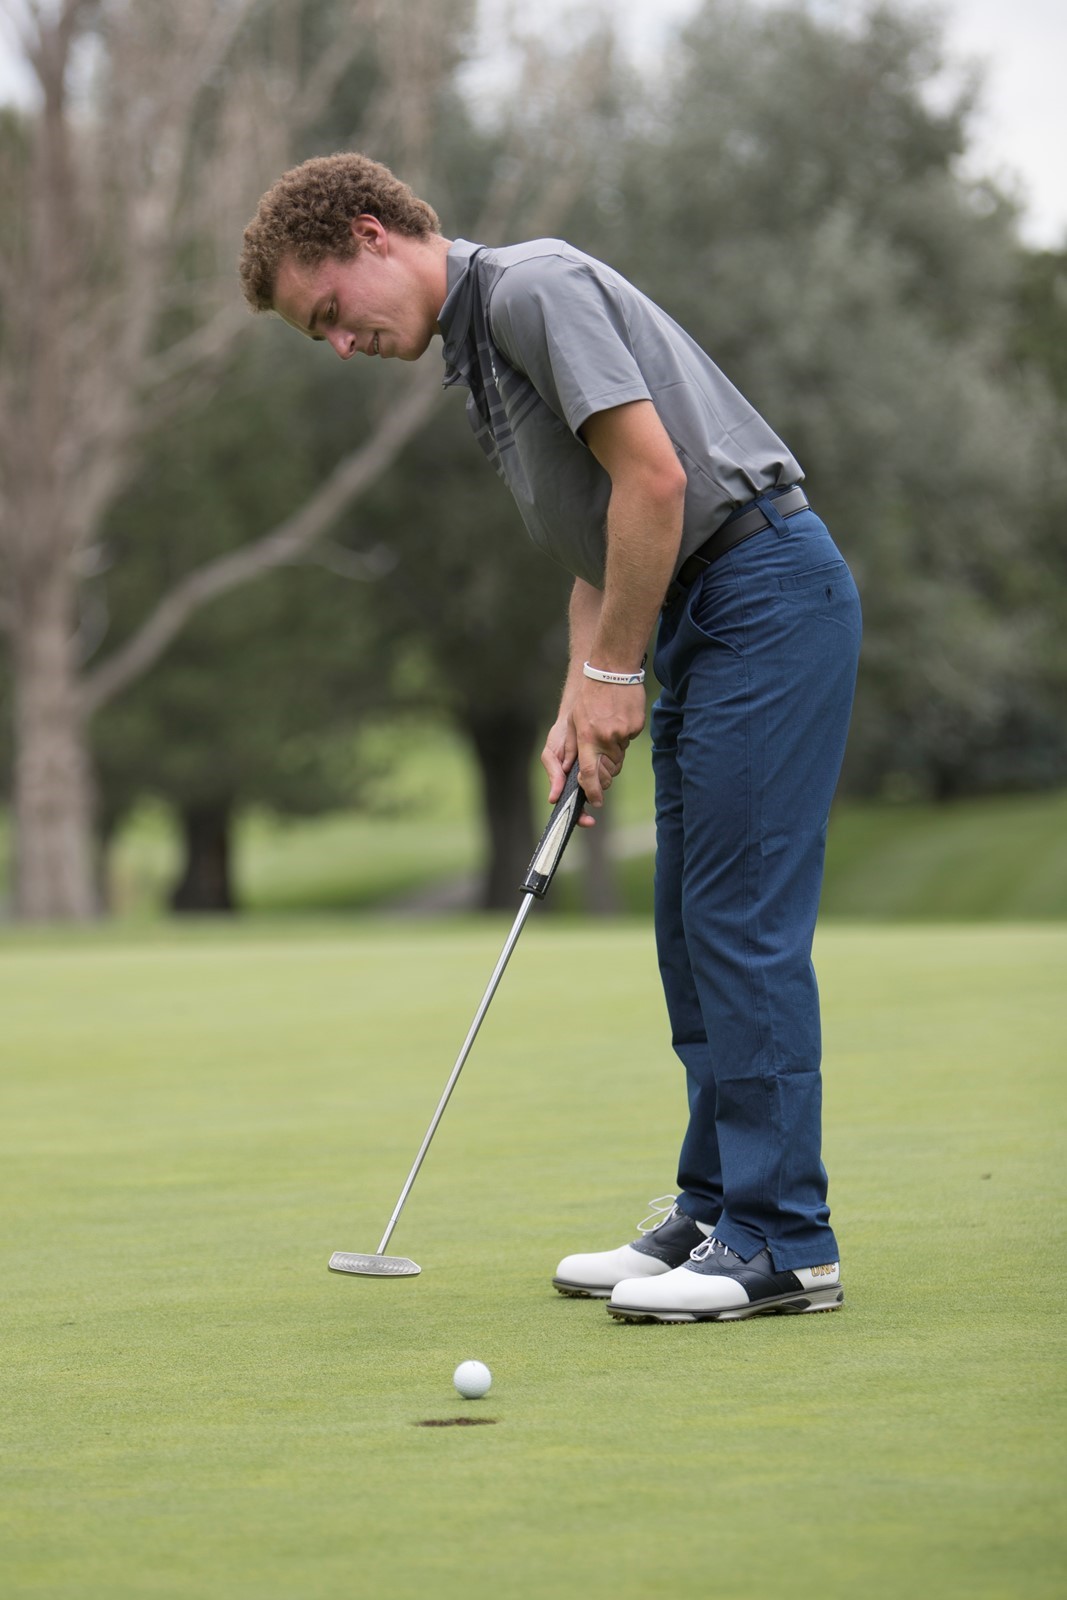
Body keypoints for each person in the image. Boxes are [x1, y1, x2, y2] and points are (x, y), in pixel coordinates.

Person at [239, 153, 863, 1324]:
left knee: (737, 924)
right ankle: (717, 1209)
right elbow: (600, 533)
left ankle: (784, 1239)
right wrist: (583, 690)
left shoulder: (530, 288)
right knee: (689, 929)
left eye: (328, 313)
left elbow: (654, 481)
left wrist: (617, 670)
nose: (340, 344)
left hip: (763, 596)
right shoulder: (477, 347)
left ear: (370, 235)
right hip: (700, 615)